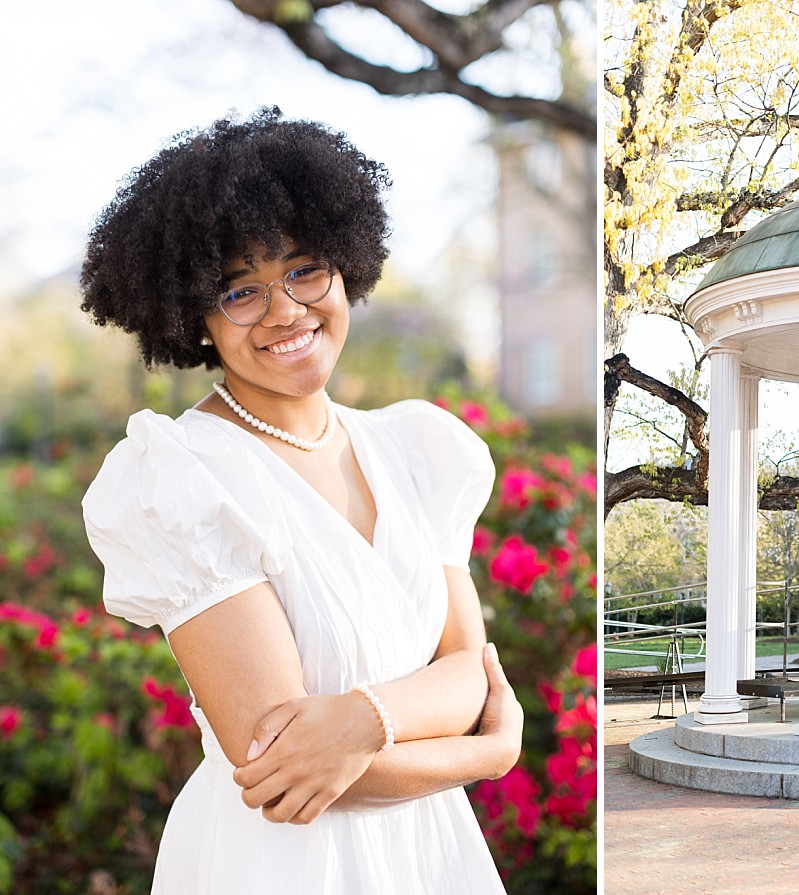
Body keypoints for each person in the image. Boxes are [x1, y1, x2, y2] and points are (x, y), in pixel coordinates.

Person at [79, 108, 521, 893]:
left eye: (304, 270)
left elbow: (468, 673)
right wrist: (487, 755)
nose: (285, 310)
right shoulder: (186, 476)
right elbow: (283, 773)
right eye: (240, 290)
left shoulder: (418, 449)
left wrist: (358, 721)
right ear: (196, 318)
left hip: (431, 853)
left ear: (345, 266)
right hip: (282, 863)